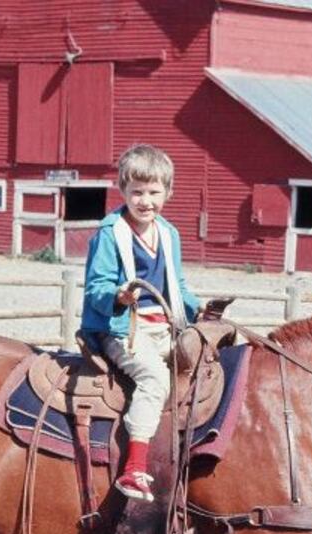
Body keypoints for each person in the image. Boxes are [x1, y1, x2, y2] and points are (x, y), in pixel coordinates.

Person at [80, 144, 205, 502]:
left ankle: (186, 453)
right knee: (153, 377)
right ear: (122, 190)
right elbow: (96, 288)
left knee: (204, 364)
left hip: (164, 326)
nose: (145, 200)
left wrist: (200, 310)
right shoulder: (109, 233)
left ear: (168, 192)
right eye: (137, 192)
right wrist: (118, 296)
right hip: (122, 329)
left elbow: (176, 287)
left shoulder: (169, 234)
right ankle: (133, 468)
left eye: (153, 192)